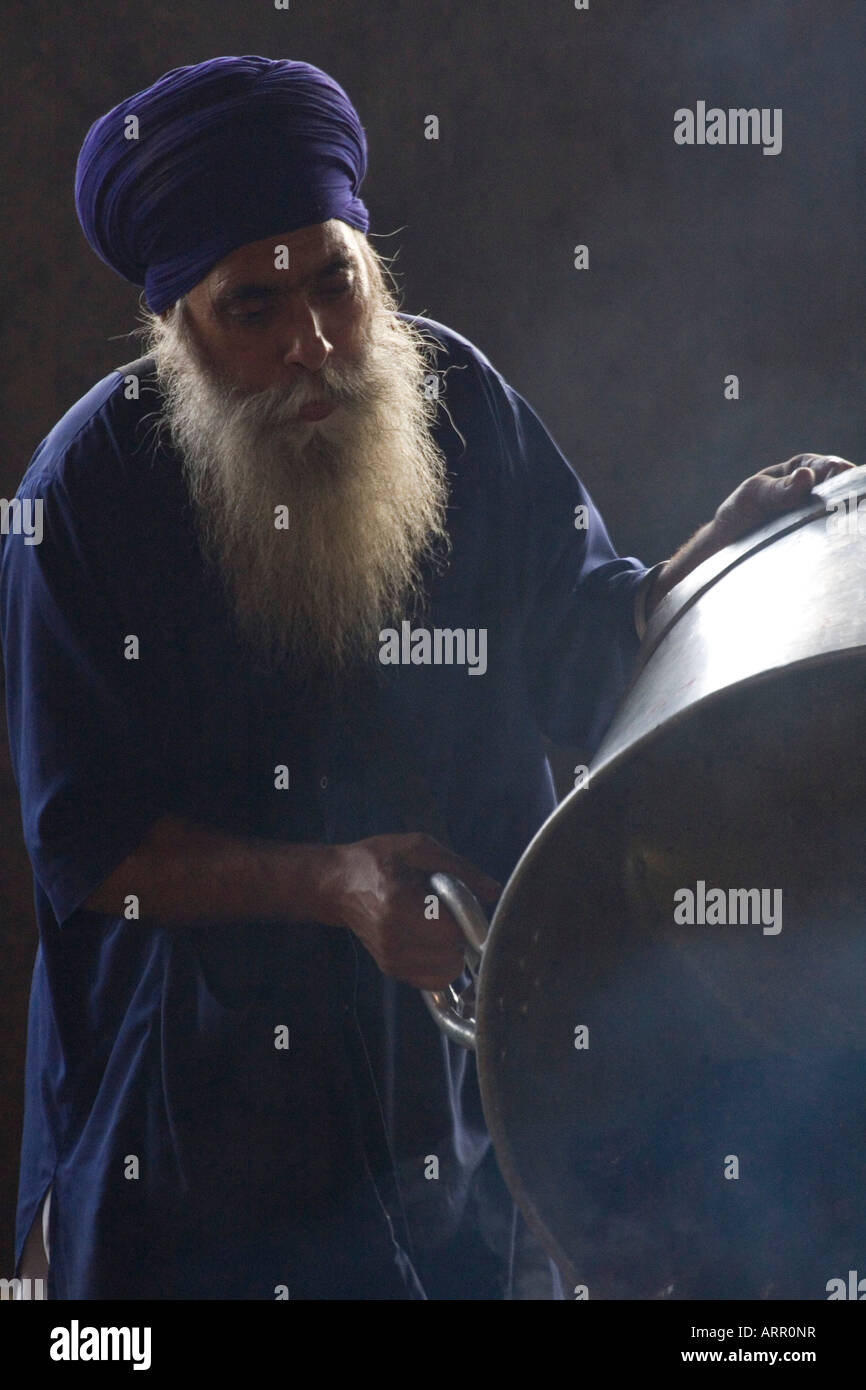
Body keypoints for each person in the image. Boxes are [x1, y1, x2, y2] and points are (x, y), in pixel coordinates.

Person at [0, 55, 853, 1301]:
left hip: (449, 1077)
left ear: (368, 266)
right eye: (253, 310)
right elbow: (92, 853)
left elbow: (576, 644)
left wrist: (695, 565)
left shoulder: (452, 401)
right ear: (175, 328)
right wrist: (331, 883)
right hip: (195, 1112)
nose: (313, 344)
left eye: (334, 285)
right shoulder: (81, 501)